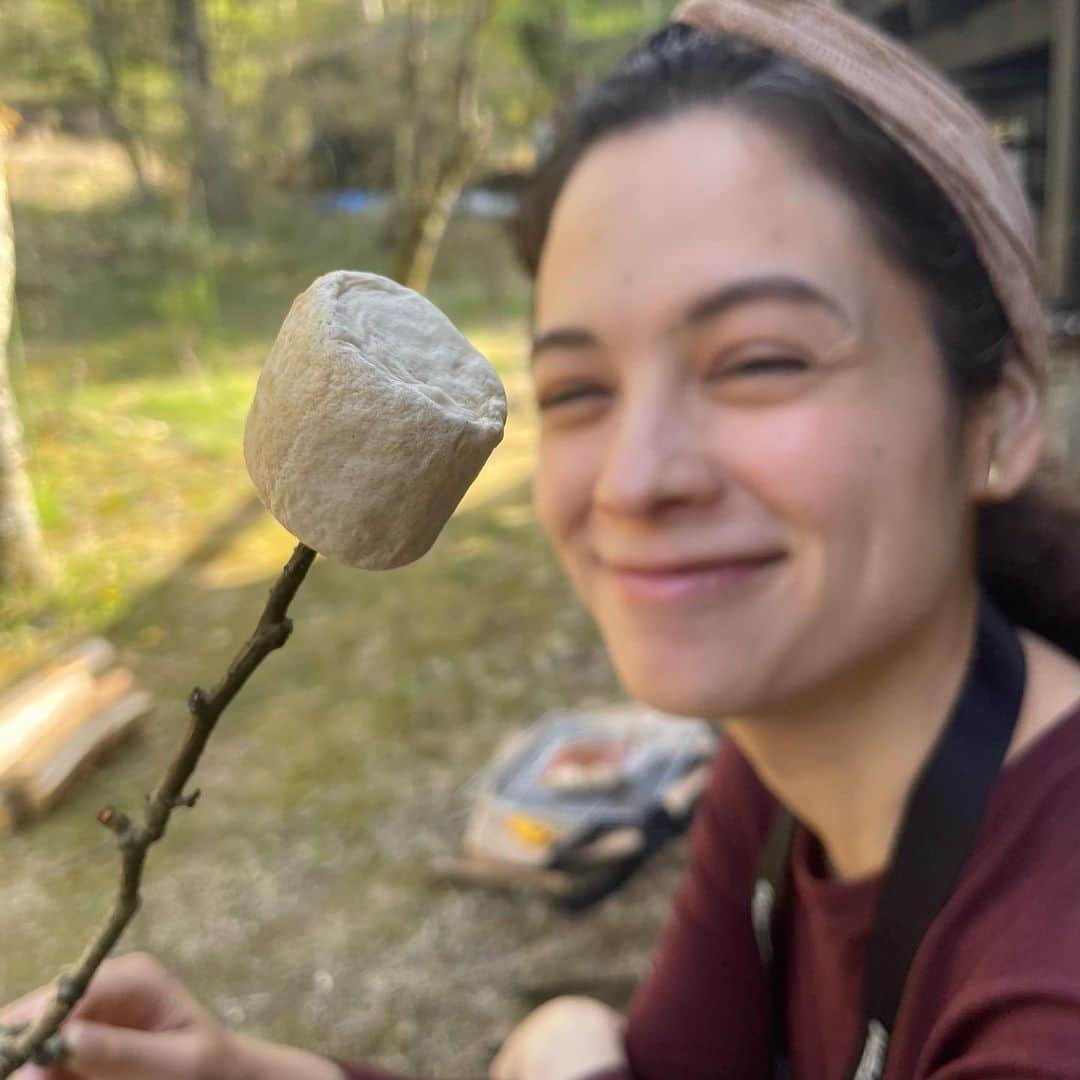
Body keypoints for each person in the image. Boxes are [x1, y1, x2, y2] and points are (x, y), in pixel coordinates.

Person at [5, 2, 1080, 1077]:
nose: (632, 480)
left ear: (1003, 416)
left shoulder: (1045, 994)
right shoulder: (785, 750)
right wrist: (236, 1072)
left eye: (760, 359)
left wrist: (564, 1056)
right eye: (576, 387)